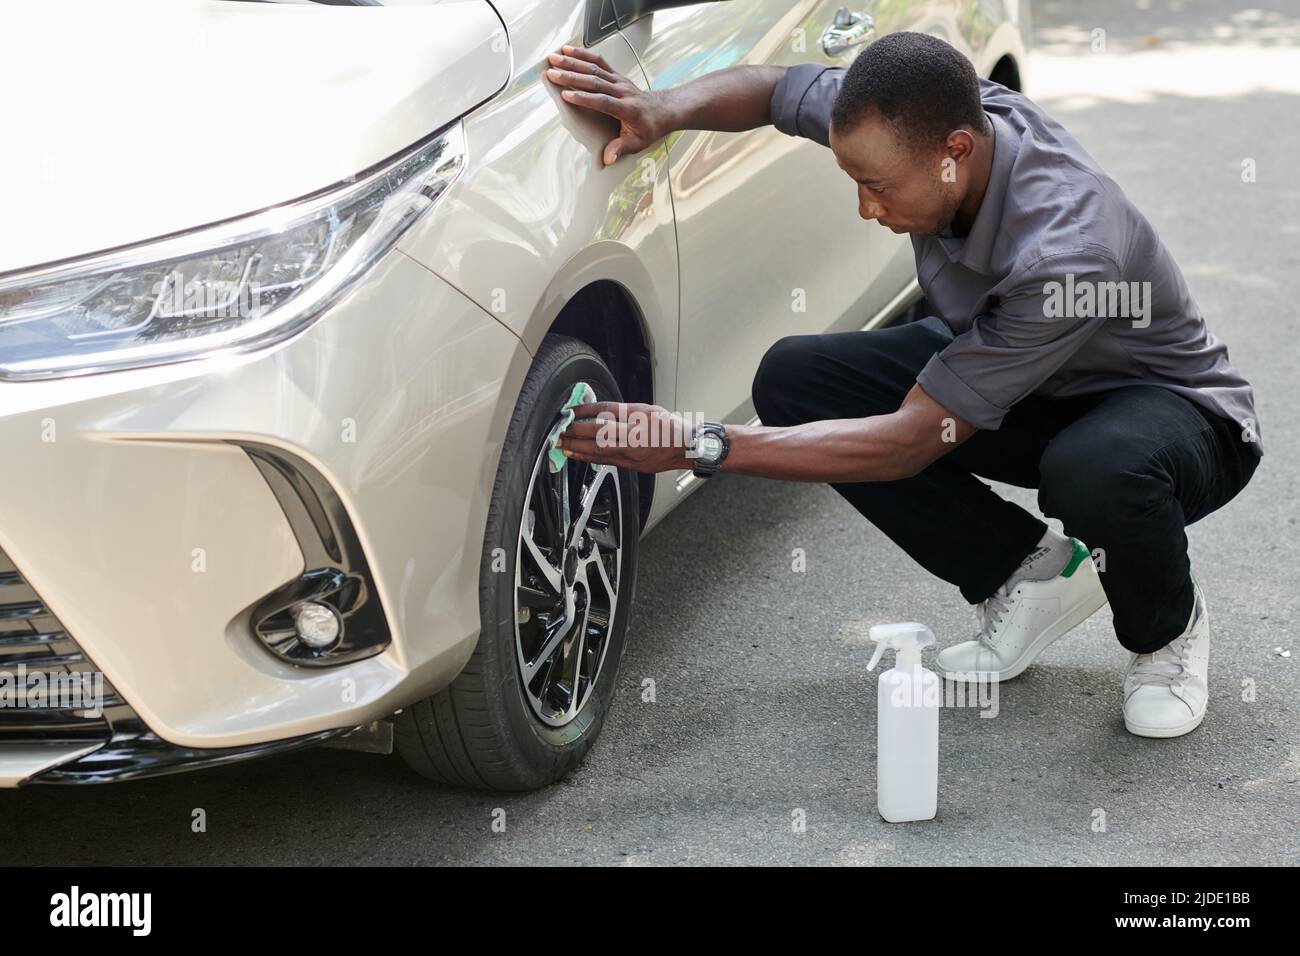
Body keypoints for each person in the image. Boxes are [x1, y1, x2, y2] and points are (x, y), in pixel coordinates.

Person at [546, 32, 1262, 739]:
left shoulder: (1067, 250)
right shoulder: (910, 119)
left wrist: (697, 445)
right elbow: (772, 90)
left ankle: (1165, 635)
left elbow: (908, 445)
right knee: (799, 380)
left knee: (1096, 471)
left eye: (878, 188)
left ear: (954, 154)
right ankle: (1031, 576)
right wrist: (663, 107)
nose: (866, 207)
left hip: (1173, 411)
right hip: (1023, 372)